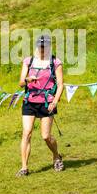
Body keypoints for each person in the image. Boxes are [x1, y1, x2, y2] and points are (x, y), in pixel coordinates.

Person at [17, 35, 64, 176]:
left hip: (47, 102)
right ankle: (24, 167)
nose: (42, 49)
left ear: (49, 46)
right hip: (29, 101)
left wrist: (55, 101)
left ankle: (56, 156)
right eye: (40, 47)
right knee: (26, 133)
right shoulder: (28, 61)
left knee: (45, 136)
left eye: (44, 47)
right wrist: (27, 79)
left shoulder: (55, 62)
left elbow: (61, 84)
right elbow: (20, 83)